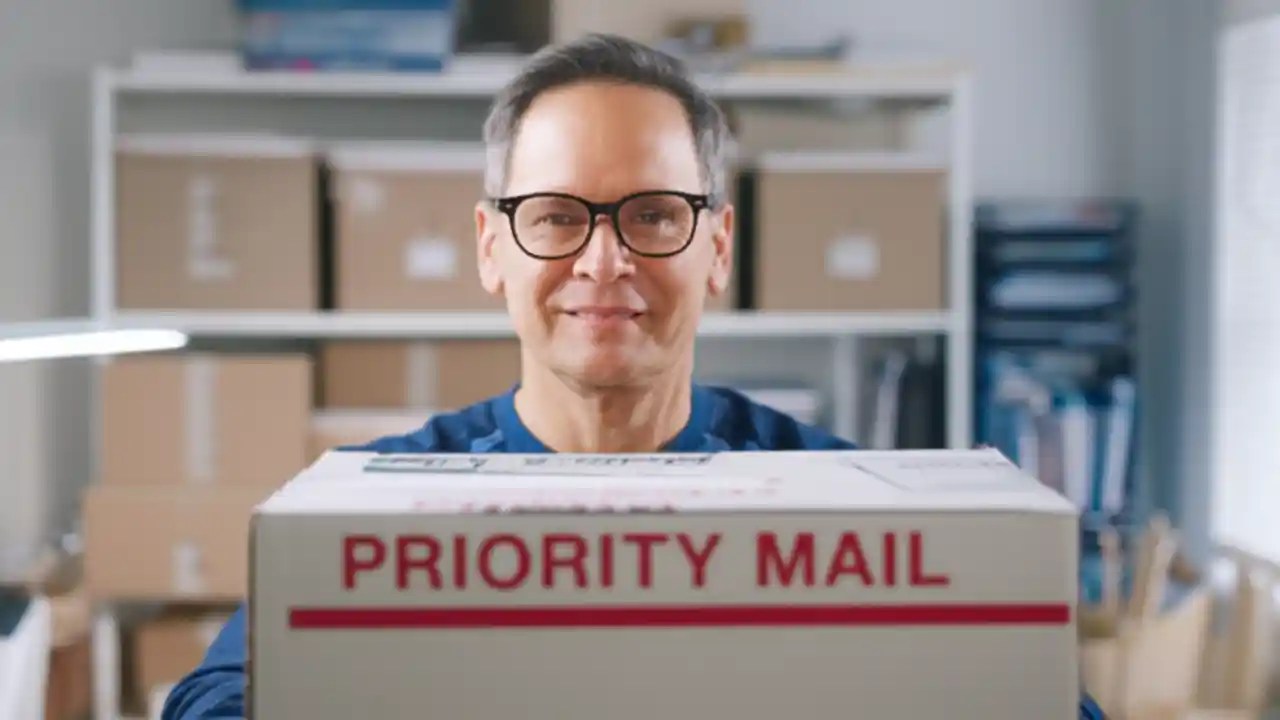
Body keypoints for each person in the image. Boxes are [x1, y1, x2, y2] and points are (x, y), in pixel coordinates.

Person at [162, 33, 1105, 720]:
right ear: (492, 248)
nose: (604, 261)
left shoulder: (847, 502)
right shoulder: (380, 503)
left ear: (718, 247)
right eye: (557, 214)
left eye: (654, 215)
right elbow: (216, 699)